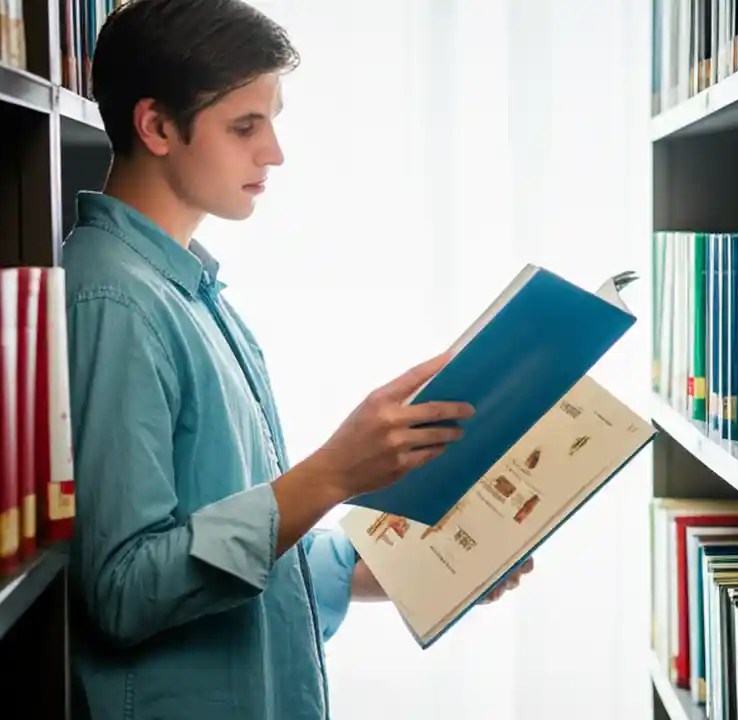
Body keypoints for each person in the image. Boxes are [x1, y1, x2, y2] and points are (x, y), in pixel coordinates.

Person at [59, 1, 533, 718]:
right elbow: (124, 589)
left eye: (272, 120)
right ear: (156, 126)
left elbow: (233, 552)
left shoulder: (190, 292)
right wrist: (335, 471)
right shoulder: (115, 303)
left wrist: (428, 563)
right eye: (245, 126)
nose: (273, 151)